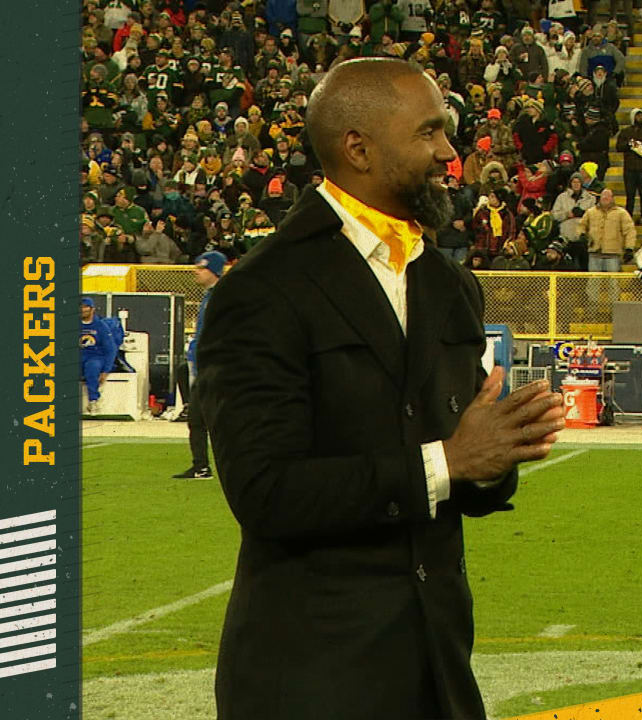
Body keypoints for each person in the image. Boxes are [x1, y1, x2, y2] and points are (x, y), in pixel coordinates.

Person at [194, 59, 566, 720]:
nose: (450, 154)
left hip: (438, 670)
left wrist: (494, 459)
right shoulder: (262, 290)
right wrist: (448, 463)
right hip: (310, 679)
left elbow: (467, 462)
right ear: (358, 148)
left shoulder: (447, 283)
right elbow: (265, 493)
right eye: (429, 133)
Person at [173, 251, 226, 480]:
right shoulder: (210, 296)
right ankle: (201, 466)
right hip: (204, 365)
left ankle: (206, 466)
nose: (196, 271)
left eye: (201, 268)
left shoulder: (221, 297)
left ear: (213, 271)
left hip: (214, 367)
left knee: (214, 420)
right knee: (197, 417)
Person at [80, 297, 118, 416]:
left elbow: (111, 349)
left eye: (86, 307)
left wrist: (106, 370)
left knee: (92, 367)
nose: (83, 310)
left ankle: (93, 401)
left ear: (92, 309)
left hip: (96, 356)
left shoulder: (100, 326)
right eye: (81, 307)